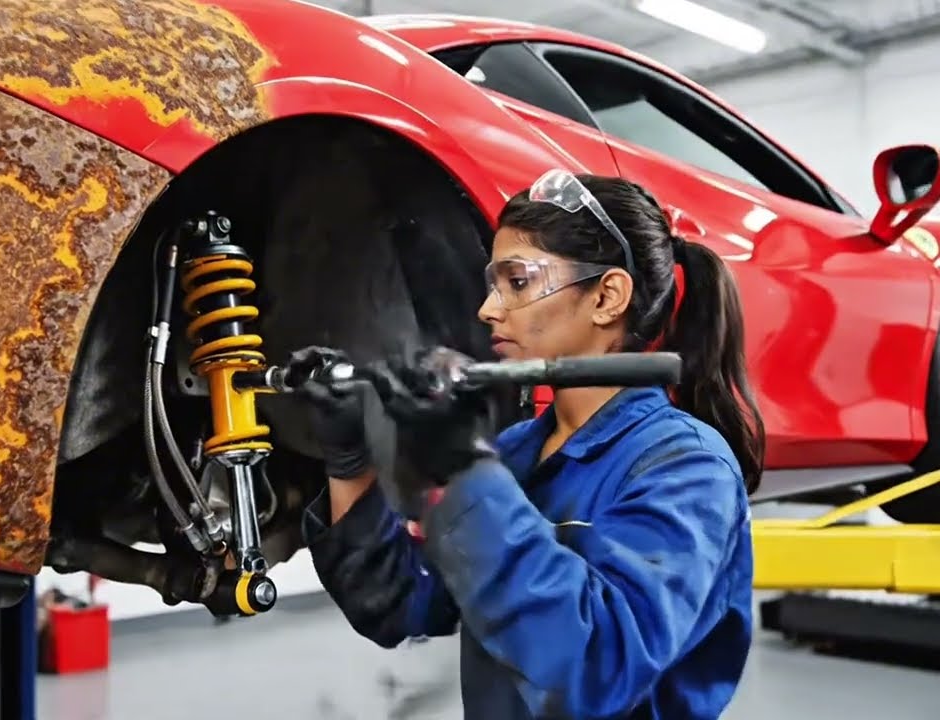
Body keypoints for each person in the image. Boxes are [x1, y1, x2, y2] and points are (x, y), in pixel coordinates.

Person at [286, 169, 763, 719]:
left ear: (607, 296)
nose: (489, 309)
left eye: (517, 281)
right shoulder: (514, 454)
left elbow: (594, 667)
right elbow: (400, 606)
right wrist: (350, 462)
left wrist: (466, 469)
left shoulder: (685, 466)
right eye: (494, 284)